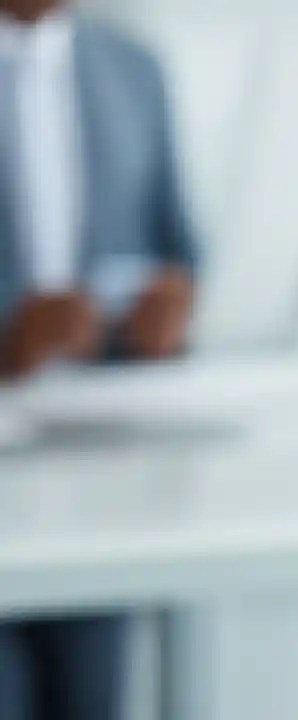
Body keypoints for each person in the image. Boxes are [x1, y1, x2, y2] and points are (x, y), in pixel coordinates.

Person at [0, 1, 198, 719]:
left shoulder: (131, 66)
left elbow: (181, 249)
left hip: (98, 465)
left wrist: (167, 317)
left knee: (92, 695)